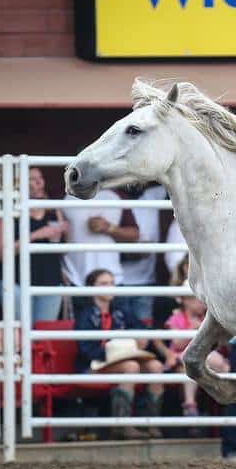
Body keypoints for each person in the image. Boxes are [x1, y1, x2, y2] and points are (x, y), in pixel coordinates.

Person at [74, 268, 164, 440]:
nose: (110, 287)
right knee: (131, 367)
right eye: (103, 283)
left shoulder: (120, 311)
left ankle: (152, 423)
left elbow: (141, 328)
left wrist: (141, 338)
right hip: (95, 364)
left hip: (124, 359)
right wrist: (114, 349)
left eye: (112, 283)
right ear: (91, 288)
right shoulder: (85, 315)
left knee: (156, 366)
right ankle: (123, 425)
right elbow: (86, 351)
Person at [153, 280, 230, 426]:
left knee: (220, 365)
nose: (202, 303)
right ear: (185, 301)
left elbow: (218, 342)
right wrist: (194, 330)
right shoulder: (176, 318)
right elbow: (177, 343)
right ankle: (190, 404)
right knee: (192, 366)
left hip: (203, 360)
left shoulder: (207, 318)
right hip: (181, 358)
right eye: (198, 299)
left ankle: (223, 403)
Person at [0, 166, 68, 322]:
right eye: (31, 178)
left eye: (40, 178)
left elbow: (64, 247)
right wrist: (36, 235)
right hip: (16, 284)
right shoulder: (9, 212)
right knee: (20, 336)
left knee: (45, 336)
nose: (38, 182)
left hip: (51, 283)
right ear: (19, 185)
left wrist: (63, 232)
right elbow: (0, 254)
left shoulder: (54, 210)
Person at [62, 189, 138, 316]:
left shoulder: (118, 195)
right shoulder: (64, 193)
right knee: (81, 331)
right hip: (75, 277)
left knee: (117, 330)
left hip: (112, 279)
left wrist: (109, 228)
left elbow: (134, 234)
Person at [117, 183, 167, 324]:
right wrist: (130, 253)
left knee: (144, 330)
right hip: (117, 282)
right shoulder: (112, 199)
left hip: (146, 281)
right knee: (120, 330)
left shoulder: (152, 196)